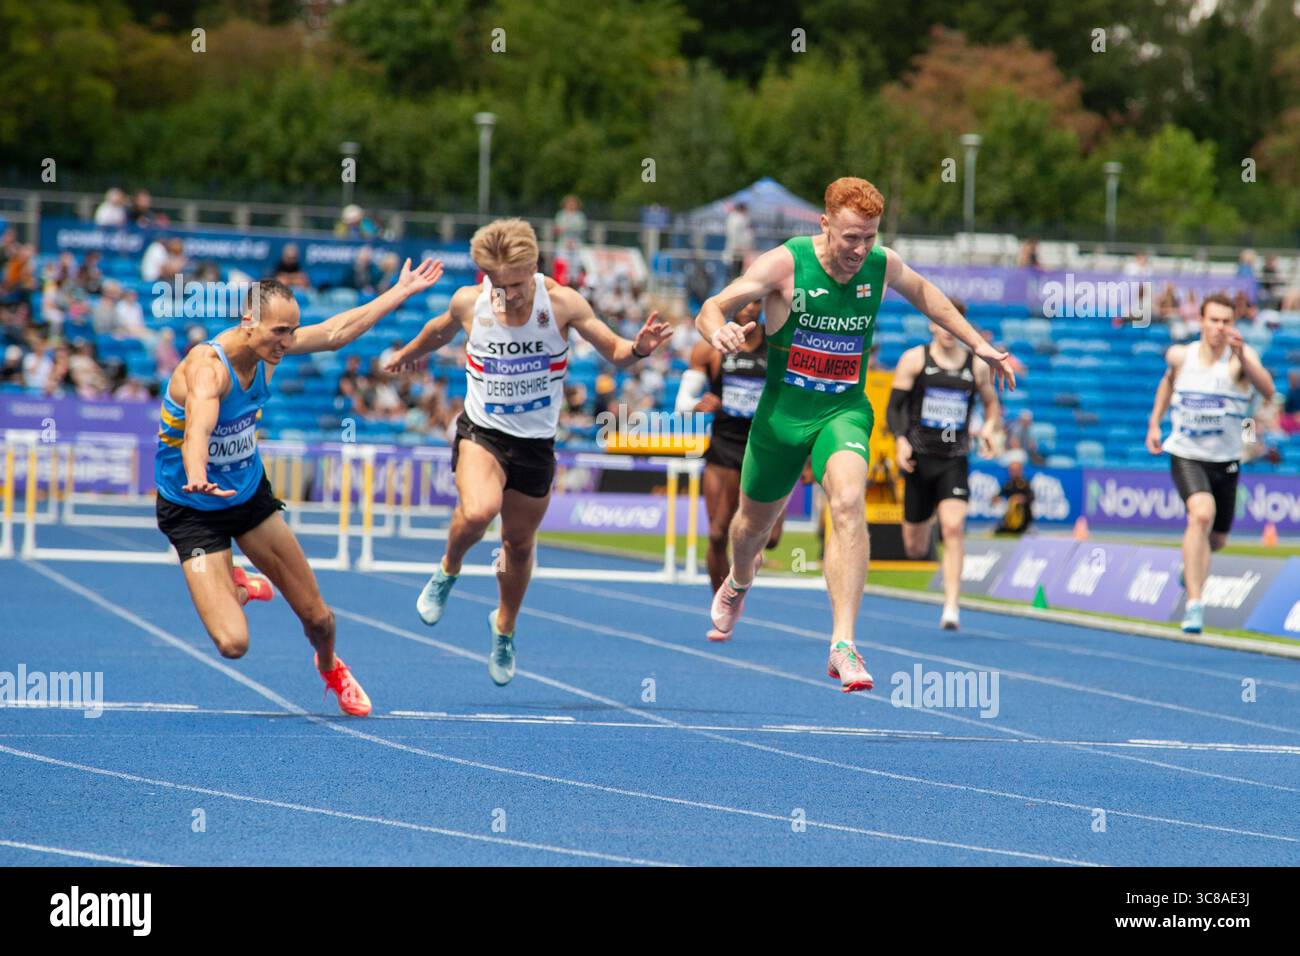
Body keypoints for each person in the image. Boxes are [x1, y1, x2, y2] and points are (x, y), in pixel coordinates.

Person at [694, 176, 1015, 691]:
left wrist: (979, 345)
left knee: (846, 502)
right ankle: (738, 580)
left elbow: (929, 296)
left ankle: (843, 643)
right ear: (825, 224)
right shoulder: (786, 262)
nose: (859, 249)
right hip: (780, 418)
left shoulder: (880, 264)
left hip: (843, 411)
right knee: (748, 530)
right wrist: (720, 330)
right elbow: (714, 306)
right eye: (849, 238)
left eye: (868, 236)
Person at [383, 219, 671, 686]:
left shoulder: (562, 304)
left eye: (516, 285)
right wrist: (406, 355)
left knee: (516, 544)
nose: (508, 295)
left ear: (534, 268)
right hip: (484, 432)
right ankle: (447, 570)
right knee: (478, 512)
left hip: (536, 444)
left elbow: (615, 350)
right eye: (498, 284)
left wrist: (639, 348)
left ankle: (504, 627)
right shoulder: (469, 303)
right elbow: (438, 332)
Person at [153, 259, 443, 714]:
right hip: (192, 506)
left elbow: (336, 333)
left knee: (319, 619)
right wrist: (197, 475)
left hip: (248, 498)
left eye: (292, 332)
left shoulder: (271, 349)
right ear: (249, 322)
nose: (287, 343)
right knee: (233, 643)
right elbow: (198, 431)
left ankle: (331, 668)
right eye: (280, 333)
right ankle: (239, 583)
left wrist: (400, 292)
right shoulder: (208, 367)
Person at [1145, 293, 1275, 634]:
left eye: (1226, 321)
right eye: (1214, 320)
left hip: (1226, 460)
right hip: (1187, 454)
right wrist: (1154, 424)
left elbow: (1268, 390)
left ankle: (1190, 565)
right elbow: (1167, 383)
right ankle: (1194, 605)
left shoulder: (1241, 359)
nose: (1219, 327)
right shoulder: (1182, 356)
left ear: (1234, 324)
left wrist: (1243, 358)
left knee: (1216, 539)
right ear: (1201, 321)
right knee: (1200, 514)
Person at [888, 298, 1003, 630]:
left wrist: (989, 430)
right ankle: (927, 523)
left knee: (953, 527)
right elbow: (895, 408)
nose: (949, 329)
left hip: (954, 459)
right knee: (915, 547)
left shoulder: (976, 365)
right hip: (918, 460)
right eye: (943, 321)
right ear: (932, 324)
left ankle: (951, 605)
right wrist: (900, 440)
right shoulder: (914, 360)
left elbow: (992, 405)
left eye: (956, 323)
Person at [675, 299, 787, 606]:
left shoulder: (778, 346)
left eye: (755, 303)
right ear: (731, 308)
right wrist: (696, 406)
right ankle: (723, 604)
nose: (749, 308)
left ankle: (745, 564)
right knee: (716, 533)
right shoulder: (710, 349)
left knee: (771, 538)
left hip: (765, 447)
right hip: (724, 447)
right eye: (743, 303)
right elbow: (683, 404)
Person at [993, 453, 1034, 535]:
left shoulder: (1026, 483)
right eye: (1011, 470)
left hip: (1024, 517)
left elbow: (1031, 497)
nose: (1012, 472)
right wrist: (996, 499)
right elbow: (998, 495)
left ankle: (1025, 528)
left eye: (1015, 470)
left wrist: (1021, 498)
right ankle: (1007, 524)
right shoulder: (1008, 484)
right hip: (1011, 517)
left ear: (1020, 470)